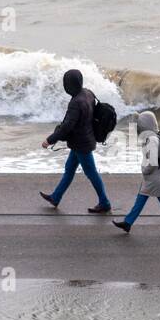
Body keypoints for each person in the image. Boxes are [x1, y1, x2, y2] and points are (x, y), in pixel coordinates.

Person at [40, 68, 111, 213]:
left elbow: (67, 126)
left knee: (91, 173)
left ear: (70, 84)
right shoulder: (88, 93)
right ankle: (56, 197)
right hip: (84, 139)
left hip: (82, 144)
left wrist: (49, 140)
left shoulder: (76, 102)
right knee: (69, 169)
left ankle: (104, 202)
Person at [112, 110, 160, 235]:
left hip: (154, 177)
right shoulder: (153, 137)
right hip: (155, 177)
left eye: (139, 125)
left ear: (145, 125)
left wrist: (145, 170)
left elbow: (153, 162)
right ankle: (128, 223)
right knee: (143, 199)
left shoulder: (152, 140)